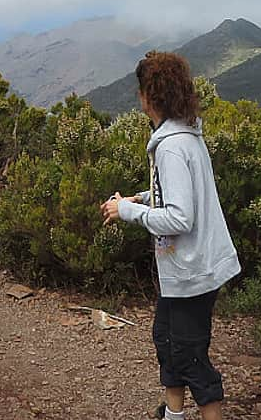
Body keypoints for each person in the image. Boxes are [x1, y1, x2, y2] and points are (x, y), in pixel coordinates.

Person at [100, 51, 240, 420]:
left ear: (150, 95)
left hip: (193, 270)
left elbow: (180, 217)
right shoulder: (185, 137)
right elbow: (179, 194)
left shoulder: (172, 147)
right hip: (186, 270)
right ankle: (173, 415)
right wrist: (141, 198)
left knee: (191, 358)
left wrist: (128, 212)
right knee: (167, 341)